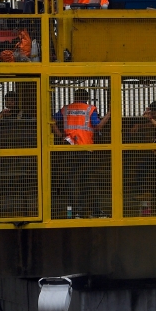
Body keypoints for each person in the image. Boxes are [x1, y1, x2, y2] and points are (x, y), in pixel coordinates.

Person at [52, 89, 111, 218]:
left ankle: (74, 213)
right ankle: (95, 211)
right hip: (85, 149)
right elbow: (98, 126)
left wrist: (60, 135)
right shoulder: (90, 109)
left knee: (71, 180)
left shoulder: (66, 109)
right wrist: (109, 114)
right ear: (87, 97)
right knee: (87, 179)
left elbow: (51, 120)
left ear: (75, 97)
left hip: (70, 147)